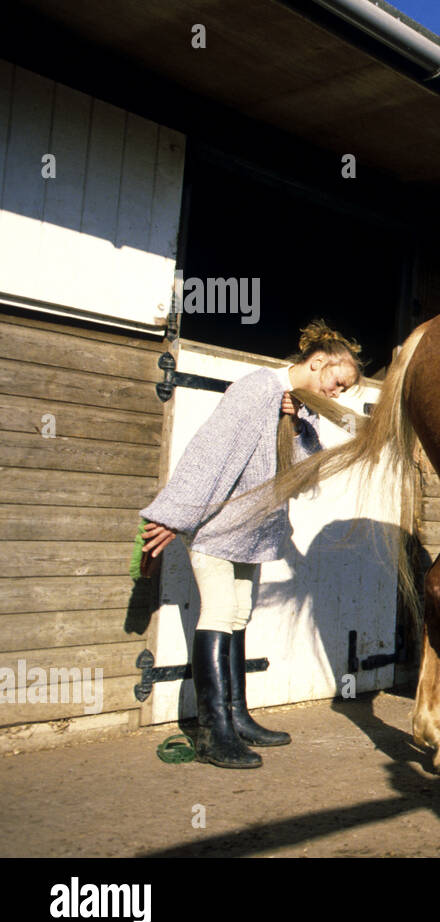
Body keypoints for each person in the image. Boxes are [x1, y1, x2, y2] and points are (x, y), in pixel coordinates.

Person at [139, 320, 364, 768]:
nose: (337, 393)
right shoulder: (255, 387)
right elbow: (209, 454)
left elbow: (300, 473)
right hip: (219, 527)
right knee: (221, 612)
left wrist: (295, 422)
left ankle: (237, 717)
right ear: (317, 363)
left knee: (239, 615)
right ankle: (212, 732)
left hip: (254, 531)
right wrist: (173, 515)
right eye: (337, 382)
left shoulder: (299, 407)